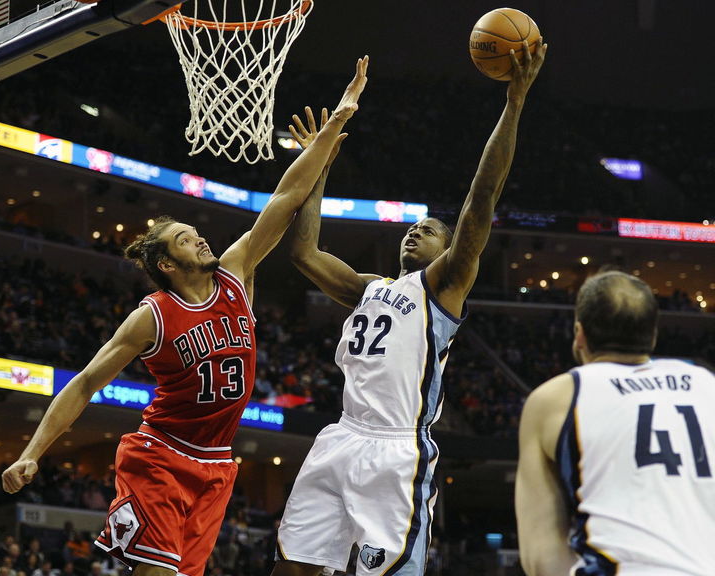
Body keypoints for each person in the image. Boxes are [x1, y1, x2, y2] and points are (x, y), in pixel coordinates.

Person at [0, 56, 369, 576]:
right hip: (160, 457)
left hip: (217, 465)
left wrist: (334, 127)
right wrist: (32, 453)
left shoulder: (236, 272)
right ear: (168, 264)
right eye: (184, 239)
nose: (199, 236)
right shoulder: (152, 316)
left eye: (194, 232)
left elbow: (285, 198)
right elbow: (83, 384)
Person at [272, 40, 546, 575]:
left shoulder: (443, 288)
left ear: (450, 251)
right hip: (340, 436)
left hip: (396, 452)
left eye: (428, 230)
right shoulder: (369, 287)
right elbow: (303, 252)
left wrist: (513, 103)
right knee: (291, 568)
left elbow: (480, 202)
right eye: (410, 228)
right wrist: (320, 161)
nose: (414, 232)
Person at [515, 271, 715, 576]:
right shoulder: (706, 383)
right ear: (653, 335)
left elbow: (541, 558)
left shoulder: (556, 397)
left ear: (579, 335)